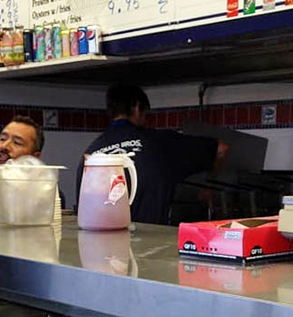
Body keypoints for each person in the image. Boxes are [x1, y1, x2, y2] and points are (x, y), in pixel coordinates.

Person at [76, 83, 226, 225]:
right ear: (136, 107)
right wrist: (208, 187)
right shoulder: (160, 143)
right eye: (145, 114)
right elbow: (221, 148)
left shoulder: (89, 155)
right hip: (149, 245)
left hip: (99, 248)